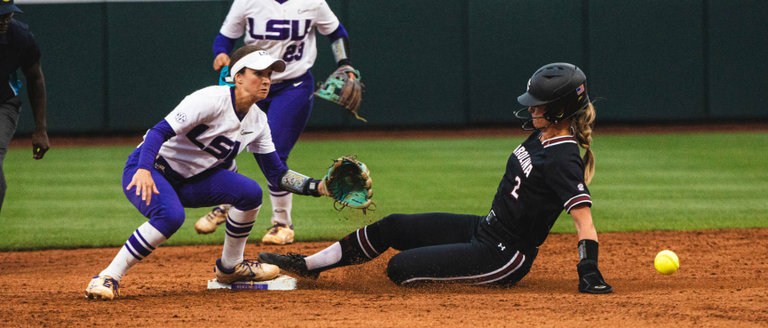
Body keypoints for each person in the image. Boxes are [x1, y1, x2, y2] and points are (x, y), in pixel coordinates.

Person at [259, 63, 613, 294]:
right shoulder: (541, 134)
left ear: (561, 110)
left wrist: (589, 270)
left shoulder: (564, 157)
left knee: (401, 269)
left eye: (539, 104)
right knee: (393, 227)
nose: (532, 108)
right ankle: (307, 266)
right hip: (484, 230)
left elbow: (584, 221)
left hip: (505, 257)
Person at [86, 47, 332, 301]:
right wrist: (144, 170)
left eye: (269, 74)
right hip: (152, 169)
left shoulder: (258, 121)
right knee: (170, 216)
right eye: (258, 73)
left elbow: (277, 174)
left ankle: (230, 268)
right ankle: (107, 276)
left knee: (250, 193)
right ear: (238, 76)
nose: (267, 79)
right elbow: (158, 132)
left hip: (193, 180)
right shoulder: (210, 99)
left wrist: (319, 187)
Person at [194, 0, 361, 245]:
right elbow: (225, 37)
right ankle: (227, 203)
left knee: (276, 153)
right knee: (224, 144)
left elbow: (336, 32)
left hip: (293, 85)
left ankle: (283, 224)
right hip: (252, 86)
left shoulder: (313, 2)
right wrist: (220, 53)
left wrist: (344, 63)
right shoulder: (247, 1)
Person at [0, 0, 50, 215]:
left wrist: (40, 129)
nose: (4, 20)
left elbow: (35, 78)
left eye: (8, 14)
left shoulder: (19, 36)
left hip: (3, 104)